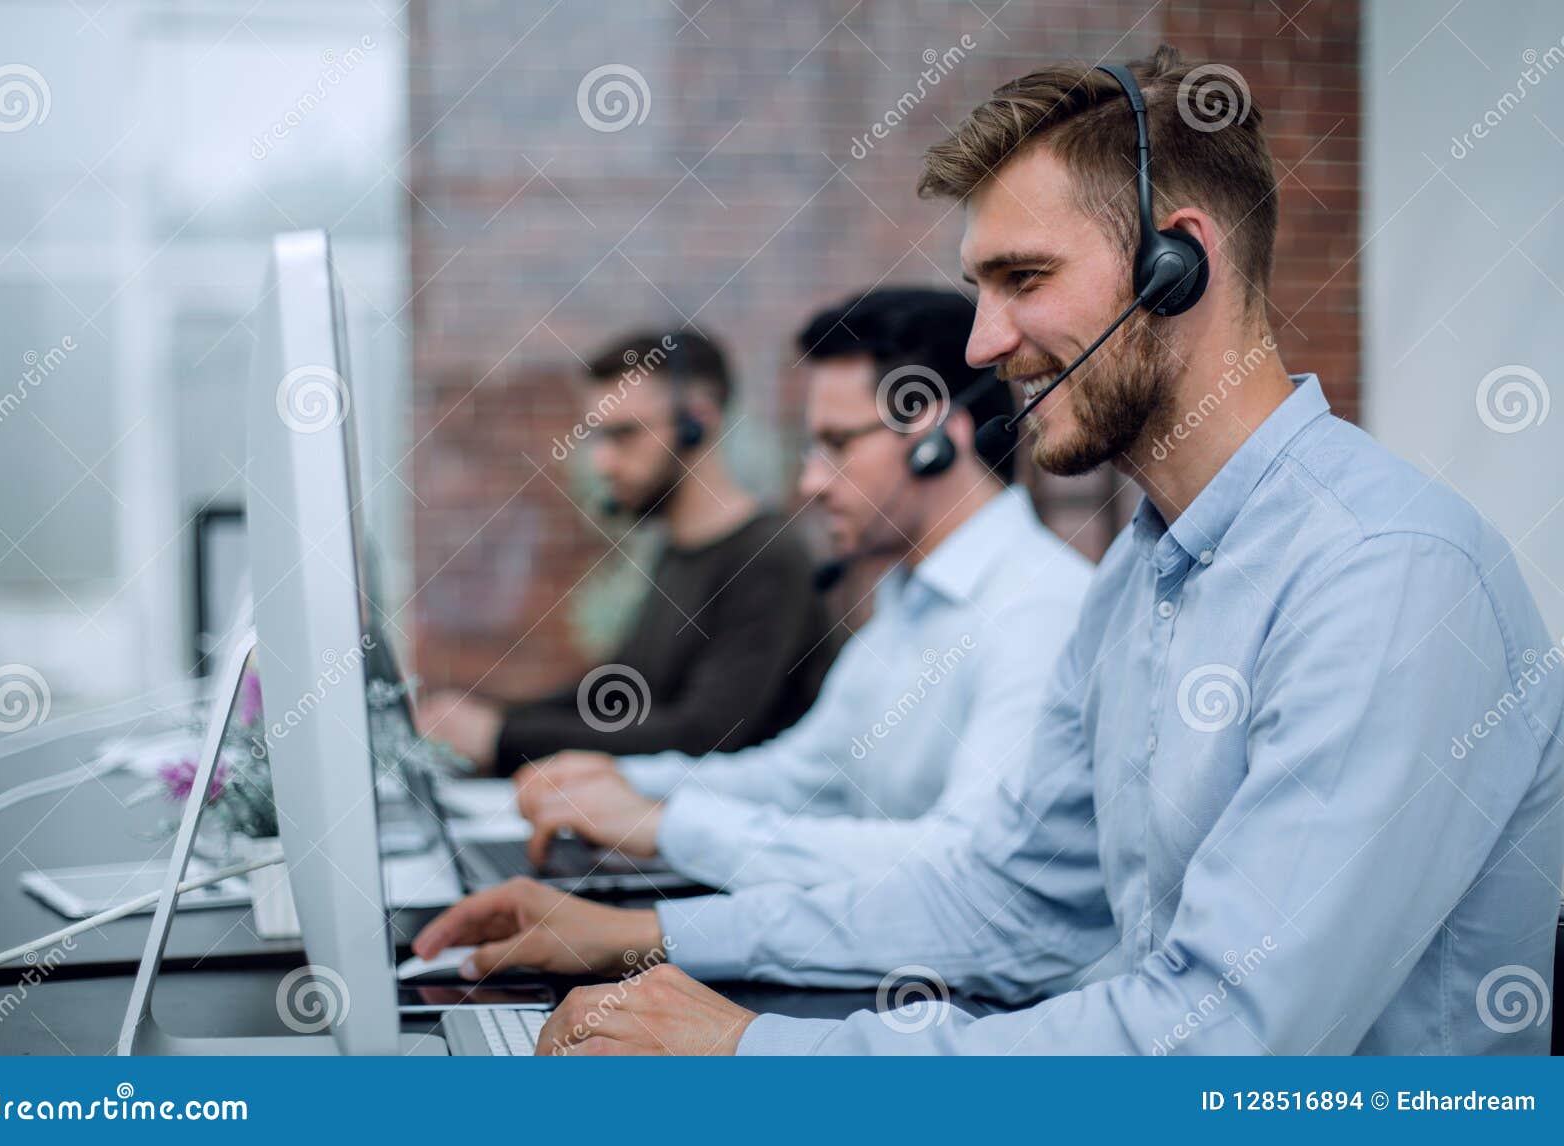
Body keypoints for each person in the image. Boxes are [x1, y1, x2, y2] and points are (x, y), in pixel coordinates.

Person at [412, 45, 1564, 1056]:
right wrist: (650, 933)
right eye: (977, 287)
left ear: (1180, 266)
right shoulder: (1142, 577)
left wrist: (756, 1056)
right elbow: (1010, 902)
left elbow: (1223, 1042)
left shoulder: (1386, 576)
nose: (983, 341)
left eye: (1024, 280)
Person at [507, 288, 1093, 887]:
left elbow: (967, 868)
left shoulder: (1036, 611)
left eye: (837, 445)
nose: (811, 481)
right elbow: (801, 779)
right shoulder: (904, 609)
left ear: (937, 441)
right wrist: (621, 783)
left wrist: (667, 829)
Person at [418, 330, 834, 777]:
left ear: (698, 422)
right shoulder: (676, 550)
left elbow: (703, 736)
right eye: (598, 437)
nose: (602, 463)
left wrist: (502, 738)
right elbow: (621, 688)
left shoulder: (768, 559)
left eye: (624, 435)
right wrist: (491, 721)